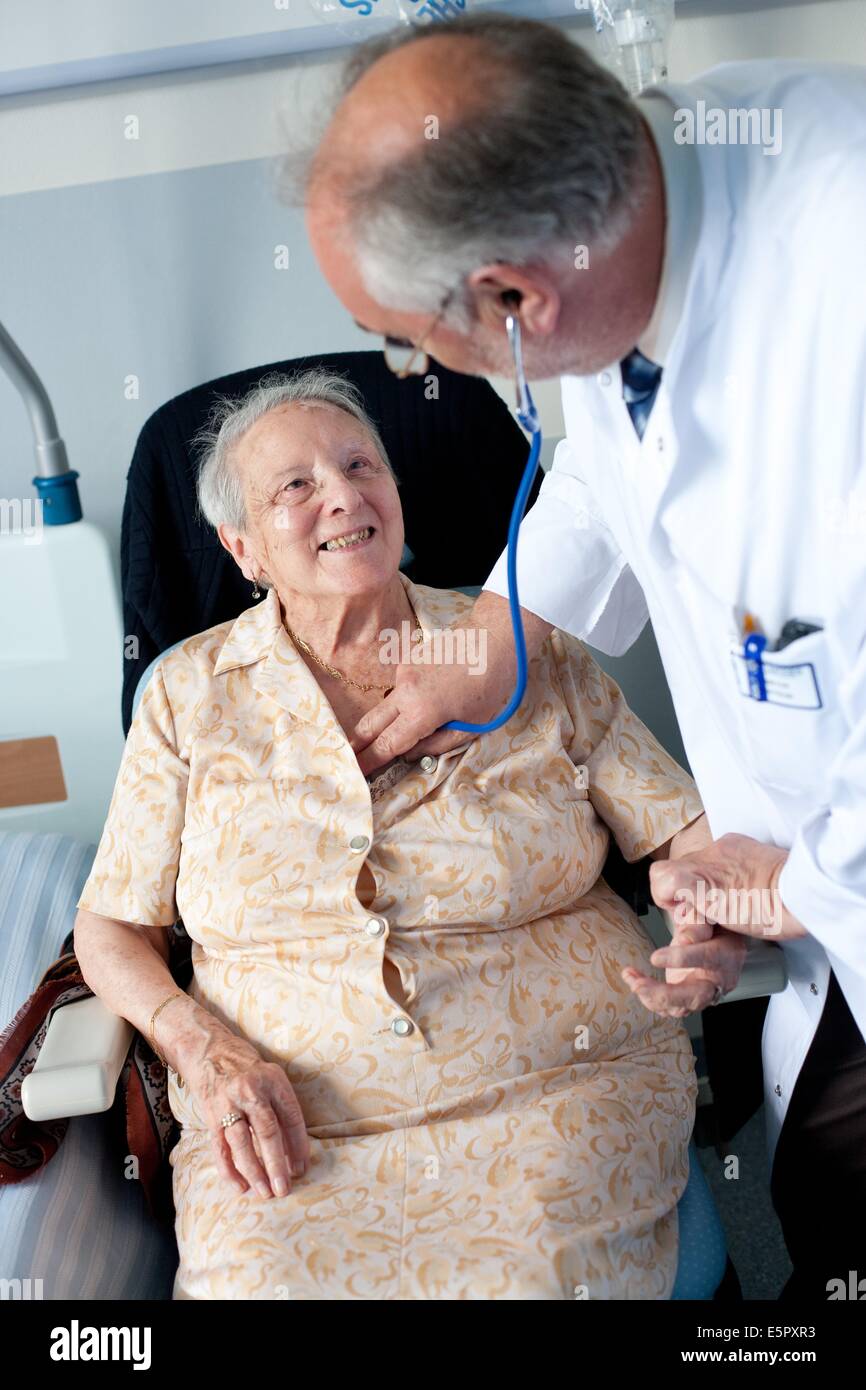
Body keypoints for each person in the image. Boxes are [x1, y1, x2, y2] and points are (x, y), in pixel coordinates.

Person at [295, 14, 866, 1299]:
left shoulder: (843, 283)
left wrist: (794, 887)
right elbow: (615, 474)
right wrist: (483, 633)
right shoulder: (632, 197)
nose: (403, 369)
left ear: (509, 302)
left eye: (403, 340)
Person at [74, 369, 712, 1300]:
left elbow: (686, 834)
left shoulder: (520, 643)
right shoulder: (187, 694)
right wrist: (203, 1051)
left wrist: (708, 922)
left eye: (360, 463)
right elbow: (112, 928)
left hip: (550, 1096)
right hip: (285, 1125)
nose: (341, 493)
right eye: (294, 485)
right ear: (242, 547)